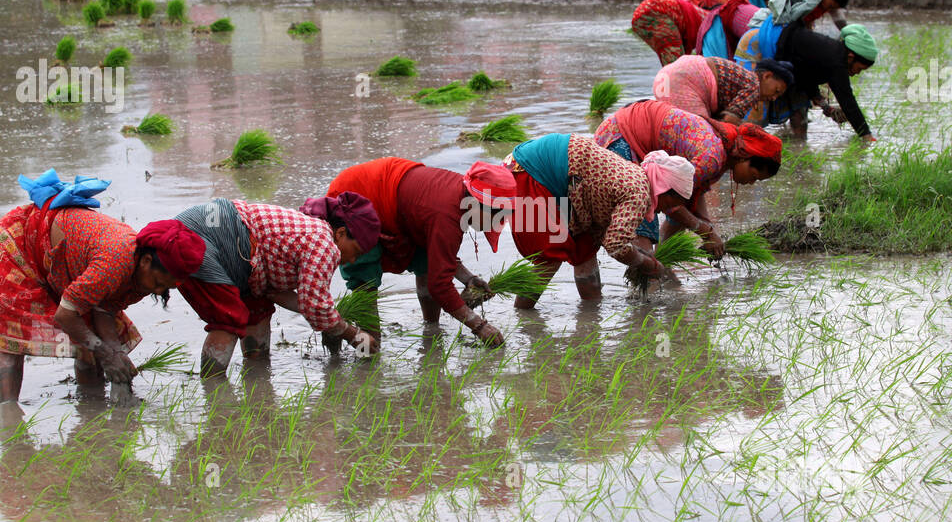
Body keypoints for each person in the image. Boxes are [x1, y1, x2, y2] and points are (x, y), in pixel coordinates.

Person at [0, 169, 194, 402]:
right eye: (158, 283)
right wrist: (105, 353)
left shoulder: (139, 276)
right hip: (22, 243)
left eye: (165, 289)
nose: (156, 292)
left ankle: (91, 405)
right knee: (12, 338)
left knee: (91, 334)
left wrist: (115, 354)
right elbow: (65, 315)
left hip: (63, 263)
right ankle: (9, 413)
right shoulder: (114, 263)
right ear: (145, 261)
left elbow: (103, 310)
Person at [172, 193, 381, 375]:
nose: (354, 260)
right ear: (341, 233)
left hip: (209, 228)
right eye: (357, 251)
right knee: (229, 318)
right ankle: (214, 390)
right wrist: (355, 336)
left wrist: (334, 322)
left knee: (258, 308)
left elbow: (281, 296)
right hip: (208, 236)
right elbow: (315, 307)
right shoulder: (325, 244)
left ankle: (257, 379)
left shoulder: (311, 233)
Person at [325, 157, 511, 348]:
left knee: (426, 264)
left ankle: (431, 329)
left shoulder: (460, 195)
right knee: (365, 283)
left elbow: (438, 253)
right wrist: (479, 326)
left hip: (394, 196)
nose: (493, 225)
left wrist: (468, 278)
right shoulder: (447, 215)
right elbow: (440, 285)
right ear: (474, 204)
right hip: (360, 196)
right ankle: (361, 348)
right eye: (494, 218)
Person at [497, 133, 695, 306]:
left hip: (568, 186)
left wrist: (639, 257)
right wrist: (648, 264)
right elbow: (616, 246)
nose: (670, 209)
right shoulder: (639, 192)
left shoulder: (637, 178)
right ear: (665, 189)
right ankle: (524, 320)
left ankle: (591, 315)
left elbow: (606, 231)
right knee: (549, 257)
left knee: (585, 250)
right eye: (674, 202)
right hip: (530, 171)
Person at [595, 100, 783, 257]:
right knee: (645, 215)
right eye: (754, 176)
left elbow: (692, 192)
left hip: (631, 133)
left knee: (681, 214)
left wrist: (707, 226)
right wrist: (705, 231)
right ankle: (646, 289)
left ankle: (662, 267)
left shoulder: (725, 148)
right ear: (744, 156)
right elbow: (669, 195)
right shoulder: (713, 156)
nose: (751, 183)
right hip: (620, 136)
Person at [772, 22, 880, 141]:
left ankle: (798, 149)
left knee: (800, 115)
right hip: (773, 47)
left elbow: (808, 75)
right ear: (850, 57)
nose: (857, 73)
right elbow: (847, 100)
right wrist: (866, 135)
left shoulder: (833, 54)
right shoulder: (836, 61)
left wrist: (826, 108)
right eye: (859, 68)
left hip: (793, 67)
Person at [652, 54, 791, 123]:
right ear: (767, 76)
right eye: (777, 91)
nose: (773, 98)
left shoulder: (743, 78)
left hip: (664, 77)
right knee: (702, 138)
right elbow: (730, 121)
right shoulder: (754, 85)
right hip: (683, 81)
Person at [631, 0, 707, 66]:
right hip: (655, 12)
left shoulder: (703, 15)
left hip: (643, 13)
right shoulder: (710, 24)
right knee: (676, 64)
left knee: (670, 59)